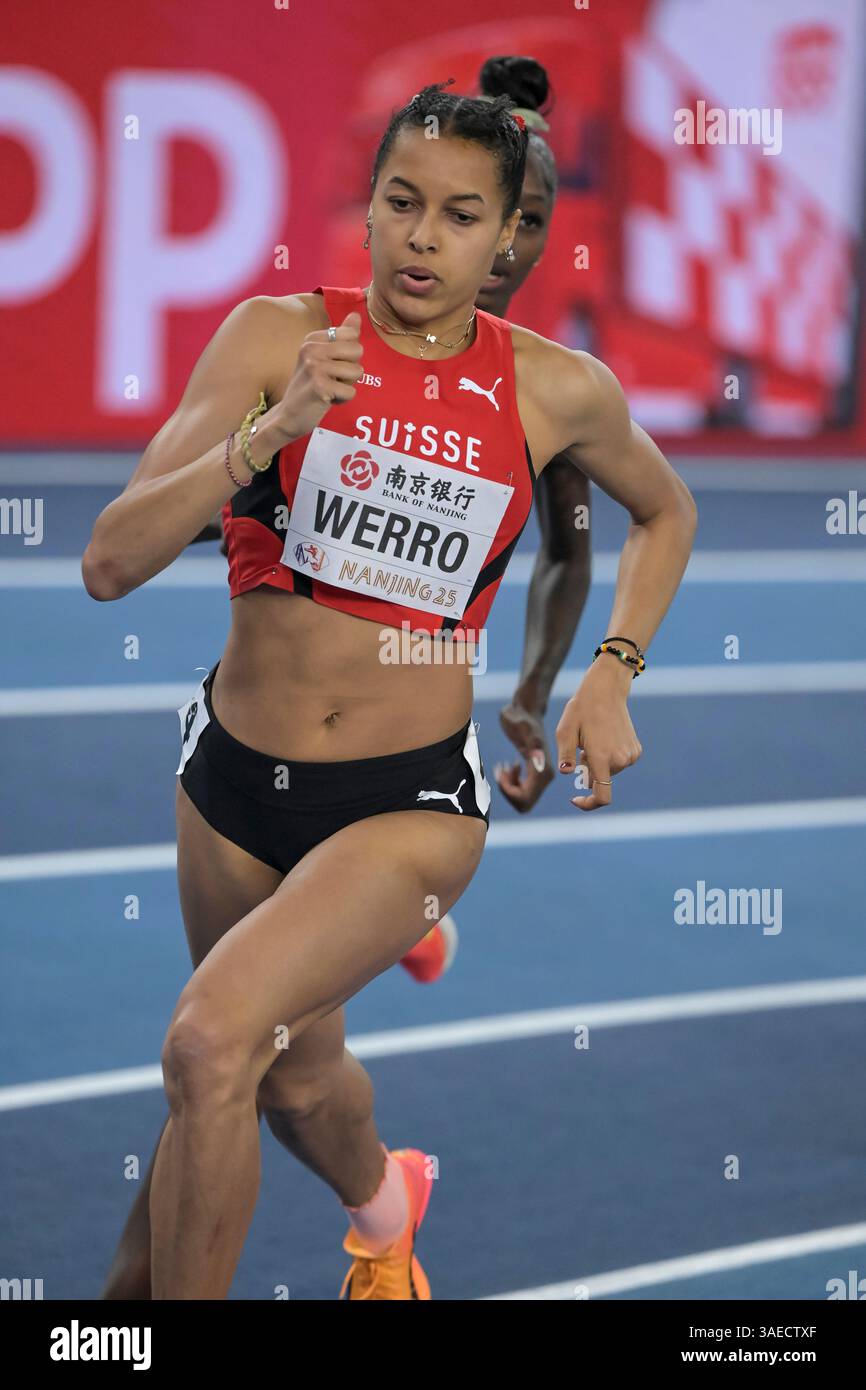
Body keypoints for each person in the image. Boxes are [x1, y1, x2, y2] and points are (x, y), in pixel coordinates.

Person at [83, 79, 696, 1300]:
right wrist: (267, 432)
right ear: (363, 211)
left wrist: (610, 675)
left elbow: (665, 508)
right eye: (400, 203)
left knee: (207, 1046)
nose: (423, 236)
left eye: (461, 215)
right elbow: (110, 560)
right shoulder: (272, 340)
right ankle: (379, 1212)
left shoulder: (549, 388)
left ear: (507, 234)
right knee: (284, 1078)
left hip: (403, 799)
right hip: (229, 785)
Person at [188, 54, 589, 987]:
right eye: (425, 208)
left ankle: (380, 900)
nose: (507, 246)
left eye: (528, 223)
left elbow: (573, 550)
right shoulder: (317, 341)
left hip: (409, 769)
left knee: (229, 1033)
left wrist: (535, 695)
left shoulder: (552, 395)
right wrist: (261, 478)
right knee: (279, 1064)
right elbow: (148, 532)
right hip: (267, 735)